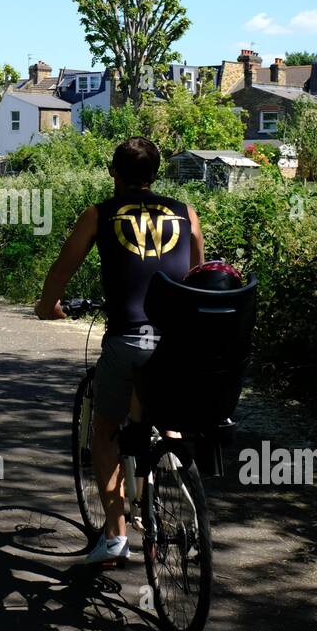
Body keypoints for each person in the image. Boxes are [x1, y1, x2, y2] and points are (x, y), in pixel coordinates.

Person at [34, 136, 204, 564]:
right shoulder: (186, 214)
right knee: (165, 419)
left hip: (128, 339)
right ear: (156, 174)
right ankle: (189, 501)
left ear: (114, 174)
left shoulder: (99, 214)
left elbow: (62, 267)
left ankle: (114, 538)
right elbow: (200, 274)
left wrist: (47, 306)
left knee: (104, 435)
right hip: (179, 344)